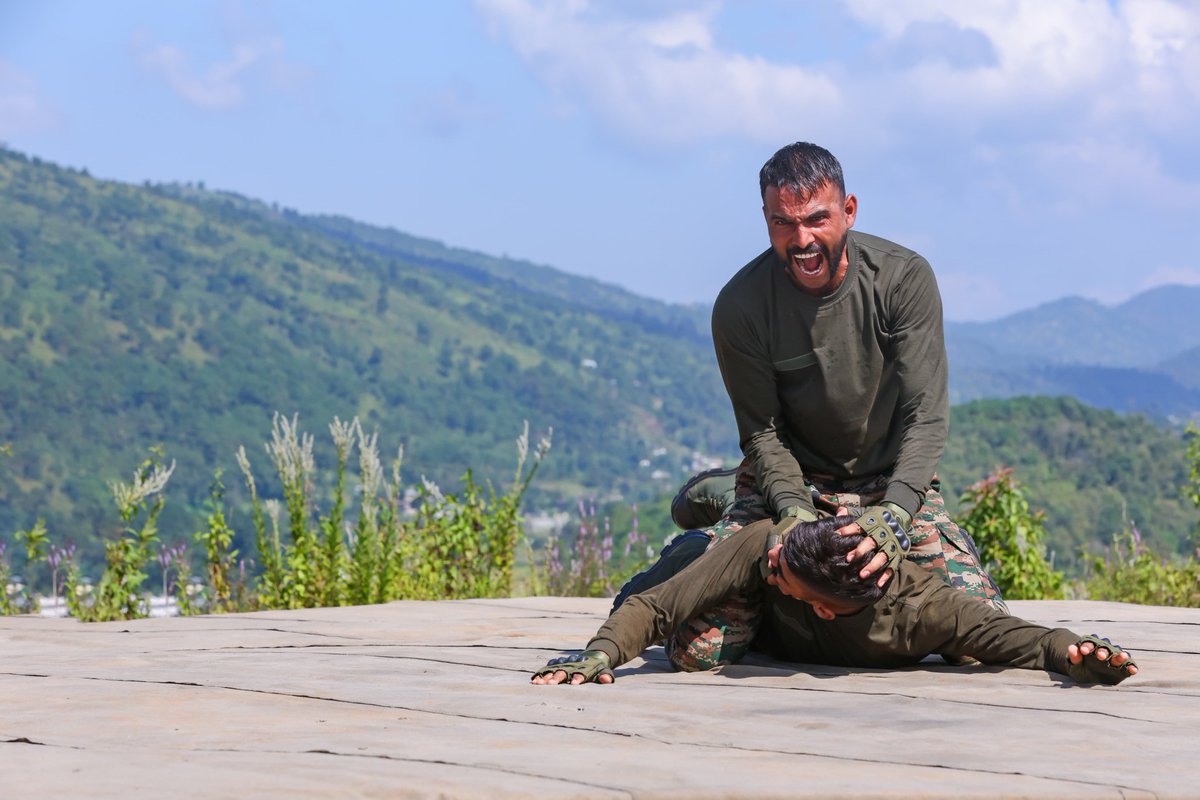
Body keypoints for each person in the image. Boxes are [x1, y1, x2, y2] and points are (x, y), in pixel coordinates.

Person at [659, 141, 1004, 667]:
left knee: (979, 647)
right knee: (695, 653)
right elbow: (763, 433)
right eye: (783, 223)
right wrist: (792, 514)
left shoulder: (902, 280)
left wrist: (895, 512)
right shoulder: (741, 305)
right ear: (766, 219)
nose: (801, 240)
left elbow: (924, 418)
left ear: (849, 211)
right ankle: (727, 513)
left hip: (886, 483)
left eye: (817, 219)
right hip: (795, 484)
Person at [531, 517, 1138, 686]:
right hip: (730, 544)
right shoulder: (769, 544)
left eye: (783, 573)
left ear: (821, 606)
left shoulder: (927, 611)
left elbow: (1023, 639)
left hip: (918, 594)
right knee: (685, 643)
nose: (775, 561)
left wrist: (1078, 653)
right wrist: (600, 654)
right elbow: (659, 606)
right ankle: (704, 515)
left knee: (972, 652)